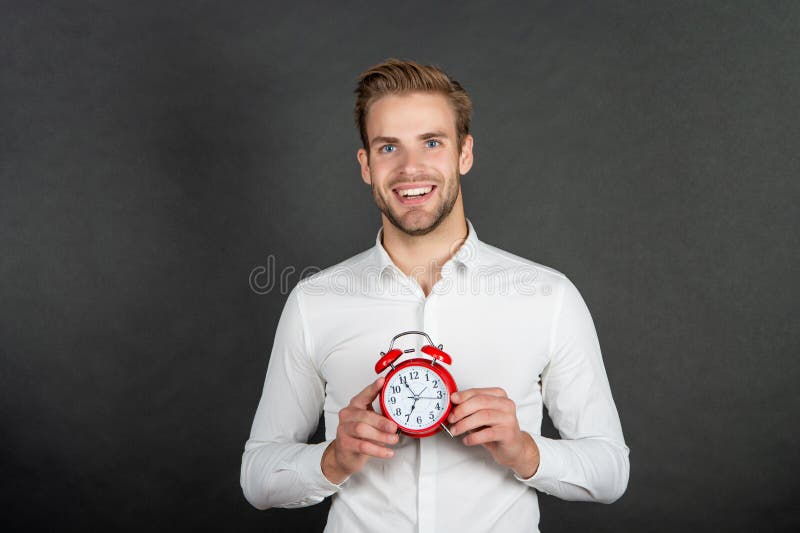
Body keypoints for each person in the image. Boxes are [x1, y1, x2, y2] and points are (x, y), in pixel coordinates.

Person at [240, 58, 629, 532]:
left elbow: (610, 471)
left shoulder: (548, 297)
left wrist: (526, 451)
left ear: (464, 153)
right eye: (388, 147)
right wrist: (333, 459)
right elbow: (257, 479)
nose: (410, 169)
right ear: (366, 165)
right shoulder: (313, 302)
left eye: (431, 142)